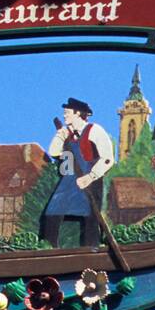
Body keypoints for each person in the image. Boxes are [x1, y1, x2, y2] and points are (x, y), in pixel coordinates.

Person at [41, 97, 116, 248]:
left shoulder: (94, 130)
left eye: (67, 112)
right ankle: (48, 249)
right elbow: (54, 152)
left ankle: (91, 250)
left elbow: (108, 158)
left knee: (90, 218)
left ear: (77, 113)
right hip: (69, 181)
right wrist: (60, 136)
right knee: (52, 213)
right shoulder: (67, 134)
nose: (64, 115)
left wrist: (90, 177)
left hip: (89, 180)